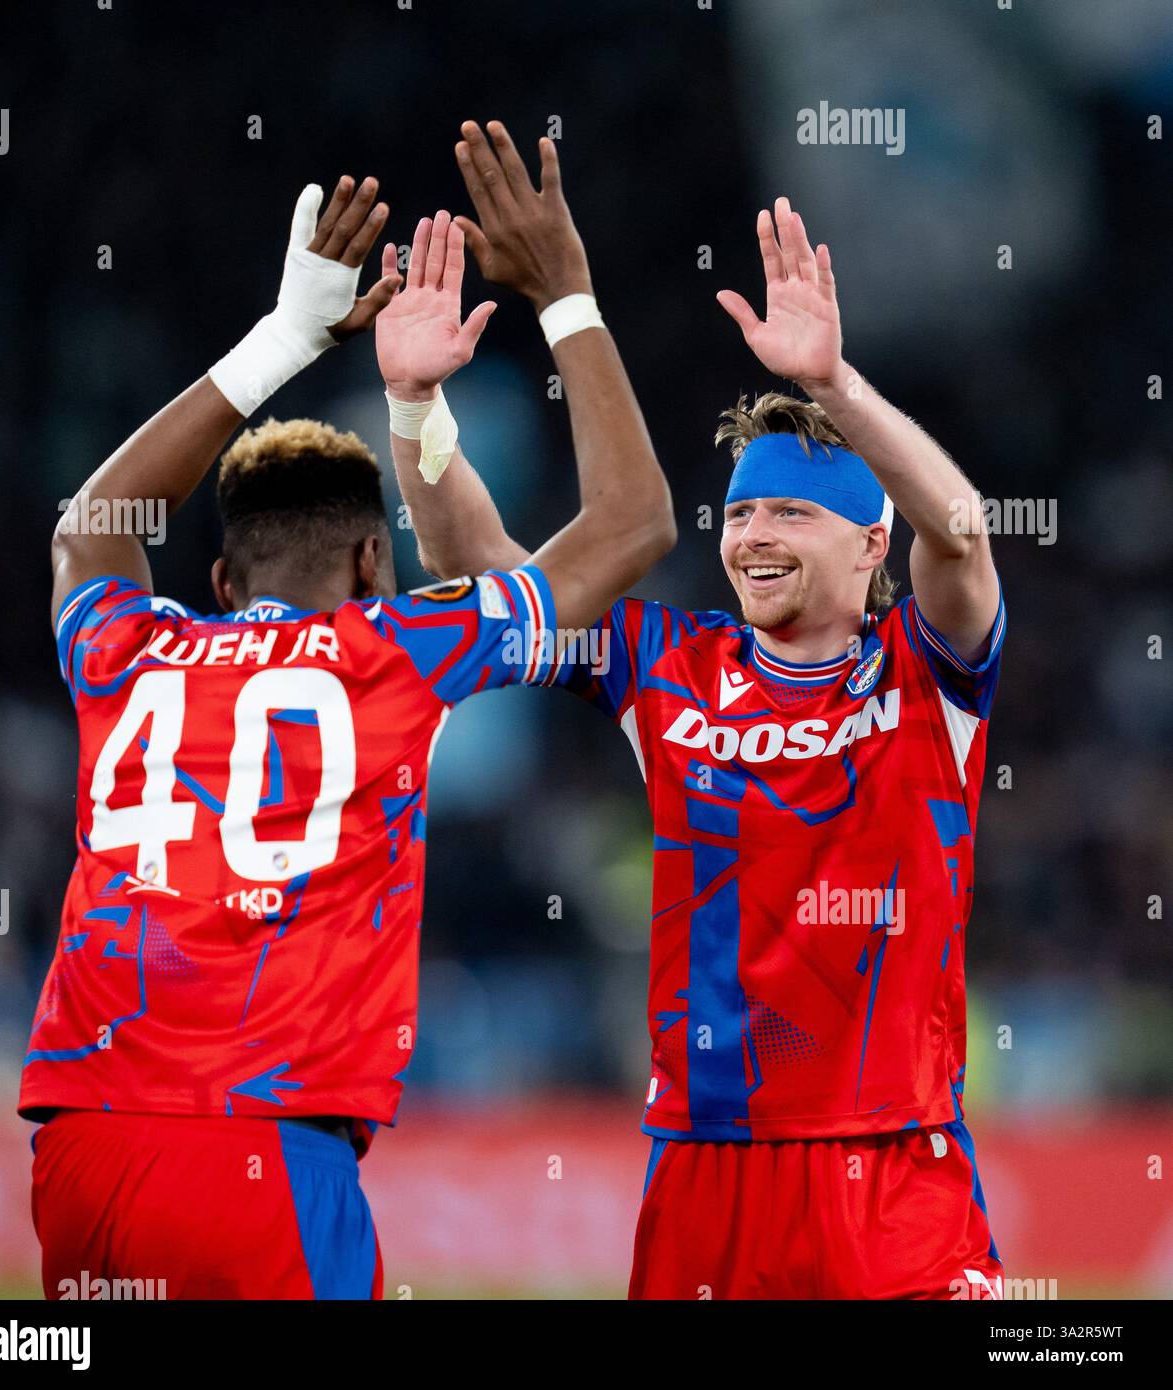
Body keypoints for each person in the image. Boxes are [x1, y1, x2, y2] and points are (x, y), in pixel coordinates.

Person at [22, 148, 674, 1299]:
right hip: (258, 1150)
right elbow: (632, 527)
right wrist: (563, 286)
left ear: (222, 577)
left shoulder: (128, 653)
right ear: (377, 560)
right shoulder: (393, 653)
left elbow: (90, 526)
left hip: (78, 1144)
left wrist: (284, 339)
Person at [391, 122, 1006, 1300]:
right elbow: (485, 569)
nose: (751, 537)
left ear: (869, 539)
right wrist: (418, 413)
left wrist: (830, 383)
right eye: (738, 515)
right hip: (703, 1166)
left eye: (788, 515)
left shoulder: (928, 674)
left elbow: (964, 530)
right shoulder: (664, 664)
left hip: (886, 1170)